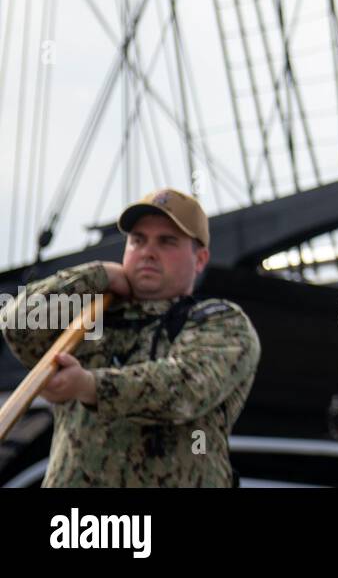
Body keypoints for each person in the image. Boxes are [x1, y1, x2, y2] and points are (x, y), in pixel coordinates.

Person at [0, 188, 261, 486]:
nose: (148, 252)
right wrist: (97, 275)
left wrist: (90, 385)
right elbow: (16, 324)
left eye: (167, 241)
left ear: (200, 259)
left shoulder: (219, 322)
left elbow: (185, 387)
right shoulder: (90, 319)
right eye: (138, 240)